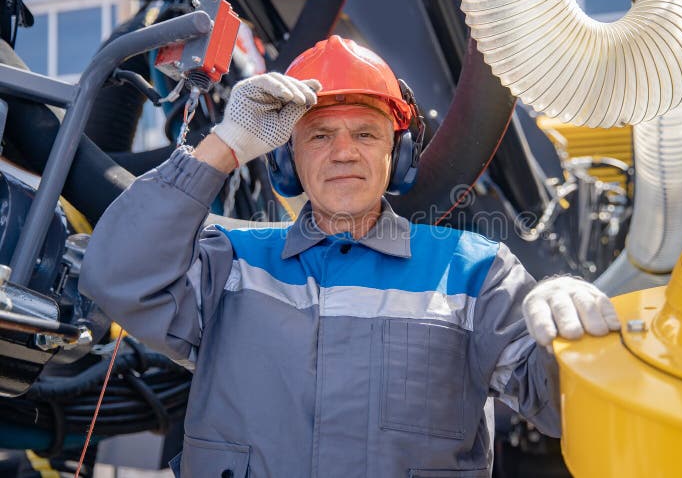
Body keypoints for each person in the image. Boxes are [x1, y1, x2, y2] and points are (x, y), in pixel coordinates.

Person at [78, 35, 620, 477]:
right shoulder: (232, 264)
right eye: (318, 136)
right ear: (287, 161)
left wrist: (571, 331)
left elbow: (567, 406)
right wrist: (226, 143)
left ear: (397, 154)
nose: (343, 152)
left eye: (365, 133)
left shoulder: (474, 273)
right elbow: (116, 276)